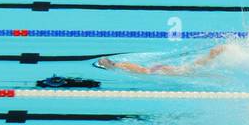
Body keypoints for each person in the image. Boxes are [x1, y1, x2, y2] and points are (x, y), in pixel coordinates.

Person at [96, 44, 229, 75]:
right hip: (159, 69)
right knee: (189, 68)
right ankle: (211, 55)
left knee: (187, 69)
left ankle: (211, 55)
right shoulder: (121, 64)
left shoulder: (121, 65)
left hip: (158, 70)